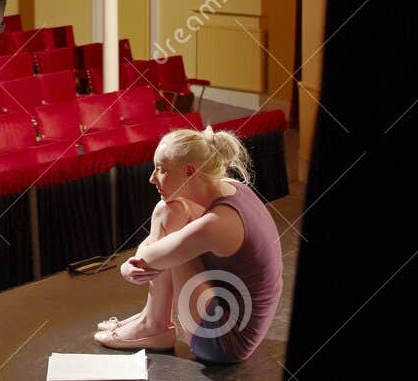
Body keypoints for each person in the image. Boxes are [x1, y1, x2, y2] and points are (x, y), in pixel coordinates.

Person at [94, 126, 284, 365]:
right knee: (170, 211)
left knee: (169, 218)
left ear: (190, 171)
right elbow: (157, 250)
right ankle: (150, 320)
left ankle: (153, 325)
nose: (152, 178)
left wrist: (125, 268)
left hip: (222, 342)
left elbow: (147, 261)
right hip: (234, 316)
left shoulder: (215, 225)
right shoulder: (233, 188)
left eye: (161, 170)